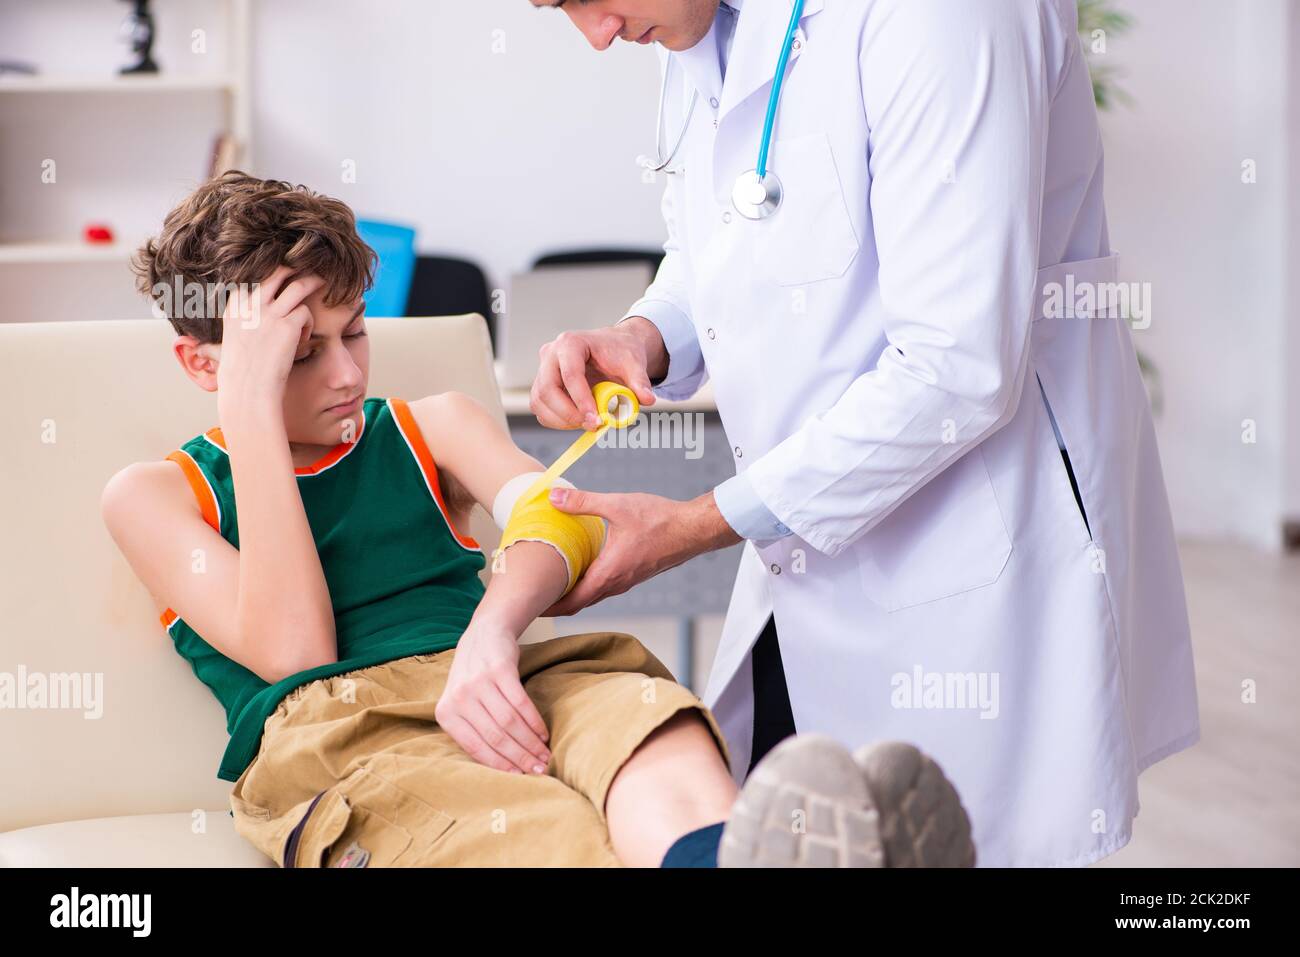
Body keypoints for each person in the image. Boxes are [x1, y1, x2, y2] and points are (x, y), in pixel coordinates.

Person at [100, 171, 976, 867]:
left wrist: (492, 630)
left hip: (503, 674)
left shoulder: (430, 426)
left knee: (645, 722)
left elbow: (563, 521)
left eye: (354, 332)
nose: (347, 375)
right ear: (203, 364)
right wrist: (249, 409)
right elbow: (296, 650)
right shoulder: (157, 496)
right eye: (299, 354)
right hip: (348, 739)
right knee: (544, 831)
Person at [527, 0, 1200, 866]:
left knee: (947, 838)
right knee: (794, 832)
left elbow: (956, 365)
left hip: (974, 570)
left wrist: (693, 525)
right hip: (800, 564)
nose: (596, 34)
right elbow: (728, 232)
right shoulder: (697, 23)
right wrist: (645, 335)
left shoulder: (943, 17)